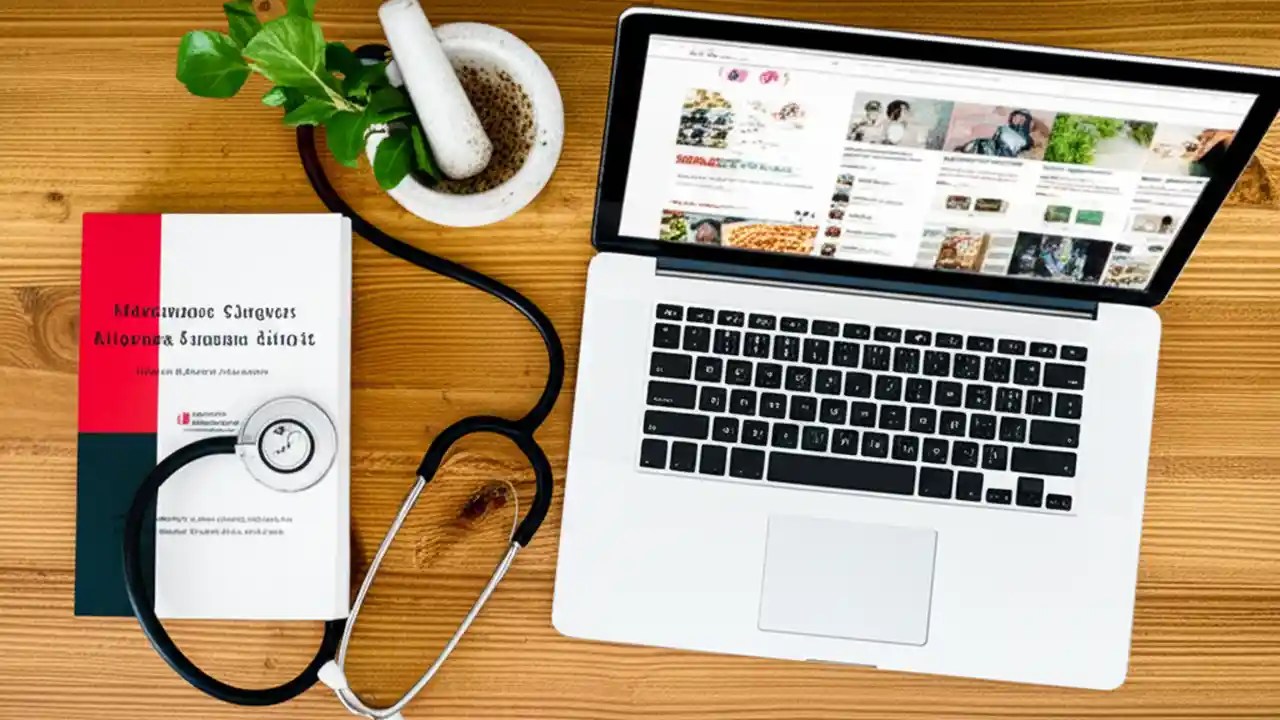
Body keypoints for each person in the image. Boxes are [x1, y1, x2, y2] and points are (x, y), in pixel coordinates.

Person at [956, 108, 1035, 157]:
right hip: (994, 147)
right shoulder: (1004, 128)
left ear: (1025, 121)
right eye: (1014, 116)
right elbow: (995, 139)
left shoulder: (1027, 139)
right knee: (979, 143)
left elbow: (1020, 151)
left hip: (1005, 153)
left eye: (1020, 117)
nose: (1015, 119)